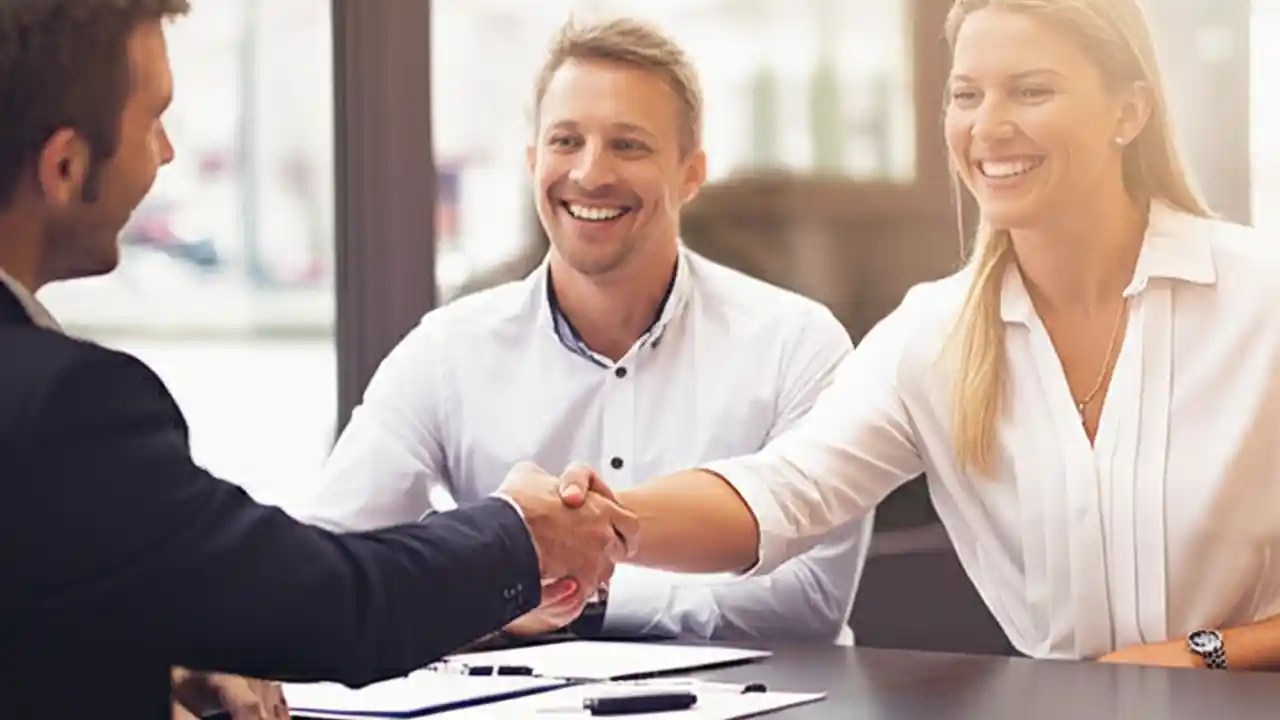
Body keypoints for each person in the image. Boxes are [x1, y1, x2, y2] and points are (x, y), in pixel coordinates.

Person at [551, 0, 1280, 671]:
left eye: (1031, 91)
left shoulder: (1260, 295)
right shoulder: (934, 335)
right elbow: (783, 492)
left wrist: (1201, 654)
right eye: (966, 95)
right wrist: (594, 521)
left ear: (1129, 112)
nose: (987, 126)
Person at [0, 3, 636, 718]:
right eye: (152, 120)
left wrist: (144, 660)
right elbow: (328, 598)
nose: (170, 151)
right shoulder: (62, 405)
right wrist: (523, 534)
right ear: (63, 165)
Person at [295, 18, 873, 645]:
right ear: (532, 161)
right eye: (566, 141)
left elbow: (812, 598)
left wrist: (582, 589)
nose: (590, 174)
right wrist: (485, 591)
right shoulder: (446, 351)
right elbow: (334, 561)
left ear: (691, 174)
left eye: (629, 145)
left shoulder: (796, 344)